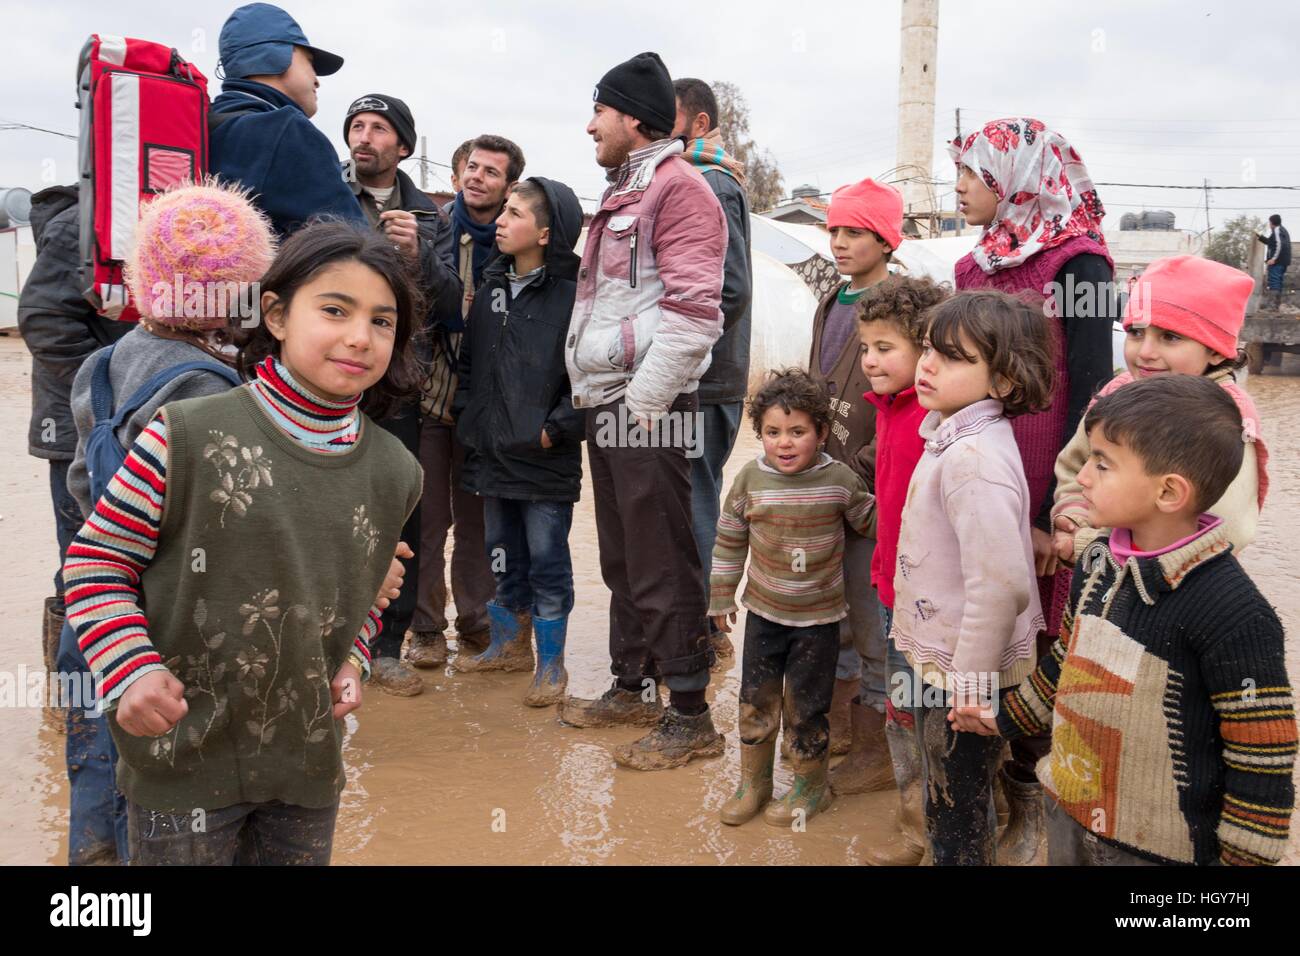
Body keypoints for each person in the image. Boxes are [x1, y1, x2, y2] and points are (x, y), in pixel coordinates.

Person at [62, 221, 424, 865]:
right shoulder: (189, 433)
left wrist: (355, 658)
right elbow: (96, 562)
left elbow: (370, 584)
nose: (359, 337)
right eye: (335, 310)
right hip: (183, 759)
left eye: (382, 321)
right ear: (277, 315)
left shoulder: (397, 470)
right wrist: (132, 667)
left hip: (307, 763)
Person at [953, 374, 1297, 866]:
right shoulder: (1097, 566)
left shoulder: (1234, 613)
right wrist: (1002, 718)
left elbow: (1261, 750)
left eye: (1102, 463)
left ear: (1169, 492)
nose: (1084, 477)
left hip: (1160, 846)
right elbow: (1063, 669)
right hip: (1069, 809)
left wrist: (1246, 855)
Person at [950, 118, 1117, 862]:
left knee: (1044, 637)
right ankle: (971, 784)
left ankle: (1027, 792)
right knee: (978, 620)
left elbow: (1091, 394)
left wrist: (1060, 510)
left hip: (1045, 479)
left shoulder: (1080, 268)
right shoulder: (970, 268)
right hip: (977, 472)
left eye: (973, 174)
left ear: (1017, 178)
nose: (958, 187)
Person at [560, 52, 729, 771]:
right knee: (624, 555)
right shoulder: (623, 191)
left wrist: (644, 405)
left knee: (662, 557)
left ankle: (689, 712)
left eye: (599, 110)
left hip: (645, 403)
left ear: (633, 117)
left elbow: (694, 316)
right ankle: (632, 684)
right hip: (609, 400)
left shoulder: (680, 189)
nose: (590, 123)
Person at [890, 290, 1058, 865]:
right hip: (951, 654)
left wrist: (969, 687)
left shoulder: (973, 461)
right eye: (929, 349)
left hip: (963, 670)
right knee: (952, 795)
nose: (928, 365)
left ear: (1005, 381)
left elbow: (1001, 585)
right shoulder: (955, 433)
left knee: (957, 807)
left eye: (954, 357)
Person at [711, 370, 874, 828]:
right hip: (764, 615)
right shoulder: (749, 480)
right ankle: (754, 784)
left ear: (821, 433)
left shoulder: (840, 479)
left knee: (807, 708)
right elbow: (729, 539)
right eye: (772, 432)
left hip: (819, 622)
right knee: (755, 702)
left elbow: (871, 521)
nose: (784, 443)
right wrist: (722, 597)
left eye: (798, 432)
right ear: (759, 434)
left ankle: (809, 788)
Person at [343, 93, 465, 692]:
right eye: (356, 127)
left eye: (379, 129)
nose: (364, 138)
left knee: (401, 513)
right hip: (326, 384)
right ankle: (329, 643)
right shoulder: (325, 194)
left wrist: (418, 256)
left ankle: (387, 645)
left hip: (398, 389)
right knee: (326, 510)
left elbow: (450, 307)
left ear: (404, 148)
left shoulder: (429, 216)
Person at [452, 178, 584, 706]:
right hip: (491, 453)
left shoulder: (575, 298)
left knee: (548, 561)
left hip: (544, 458)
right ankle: (509, 648)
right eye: (501, 212)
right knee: (501, 554)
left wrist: (555, 429)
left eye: (513, 213)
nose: (500, 220)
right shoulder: (491, 291)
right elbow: (469, 366)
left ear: (546, 232)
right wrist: (468, 420)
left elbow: (591, 380)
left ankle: (552, 666)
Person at [1053, 256, 1268, 563]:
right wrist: (1074, 516)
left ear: (1217, 352)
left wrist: (1095, 545)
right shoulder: (1118, 392)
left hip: (1178, 588)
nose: (1145, 352)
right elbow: (1075, 466)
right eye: (1136, 333)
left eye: (1170, 337)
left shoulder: (1225, 418)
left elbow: (1228, 530)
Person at [409, 134, 525, 669]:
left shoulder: (516, 248)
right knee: (426, 522)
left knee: (480, 526)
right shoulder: (426, 231)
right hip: (429, 400)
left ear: (508, 188)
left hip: (484, 412)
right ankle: (426, 629)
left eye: (491, 172)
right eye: (471, 167)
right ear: (457, 175)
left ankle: (477, 625)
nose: (477, 177)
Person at [806, 178, 901, 784]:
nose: (839, 242)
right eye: (834, 231)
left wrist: (857, 471)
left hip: (871, 492)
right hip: (825, 483)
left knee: (873, 625)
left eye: (854, 232)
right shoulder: (831, 300)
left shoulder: (898, 308)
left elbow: (903, 406)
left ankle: (876, 752)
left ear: (886, 239)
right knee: (833, 616)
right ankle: (839, 729)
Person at [854, 275, 949, 864]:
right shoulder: (887, 411)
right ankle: (916, 827)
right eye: (865, 348)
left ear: (925, 351)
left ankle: (952, 837)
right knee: (900, 708)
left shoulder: (936, 418)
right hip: (892, 591)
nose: (868, 361)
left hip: (933, 607)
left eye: (884, 348)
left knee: (939, 723)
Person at [17, 185, 129, 688]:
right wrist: (107, 385)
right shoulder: (80, 223)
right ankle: (75, 696)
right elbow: (44, 321)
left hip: (113, 421)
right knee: (85, 558)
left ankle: (87, 689)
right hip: (77, 429)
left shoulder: (121, 215)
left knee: (103, 558)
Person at [671, 78, 753, 668]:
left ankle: (706, 631)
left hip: (705, 379)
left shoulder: (713, 184)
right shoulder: (706, 178)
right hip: (707, 377)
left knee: (696, 498)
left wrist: (676, 352)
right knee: (694, 496)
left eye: (665, 115)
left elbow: (728, 288)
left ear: (699, 124)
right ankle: (703, 623)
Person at [210, 3, 365, 236]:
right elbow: (355, 246)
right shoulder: (287, 130)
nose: (317, 80)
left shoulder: (201, 125)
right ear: (276, 56)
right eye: (310, 62)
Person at [1257, 213, 1291, 310]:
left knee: (1274, 282)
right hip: (1283, 261)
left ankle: (1272, 306)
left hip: (1277, 262)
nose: (1269, 225)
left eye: (1269, 223)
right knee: (1278, 282)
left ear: (1272, 223)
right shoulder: (1283, 230)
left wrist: (1273, 259)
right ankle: (1275, 306)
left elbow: (1279, 244)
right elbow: (1272, 243)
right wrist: (1260, 237)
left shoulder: (1277, 230)